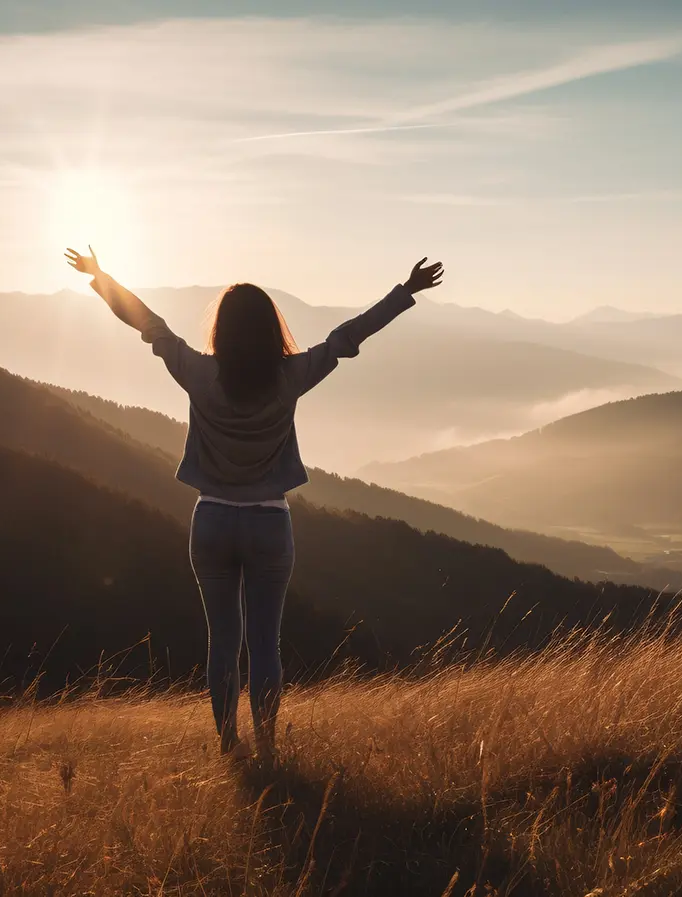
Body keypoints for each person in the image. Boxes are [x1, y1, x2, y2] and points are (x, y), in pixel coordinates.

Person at [65, 246, 444, 759]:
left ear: (221, 329)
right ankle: (266, 745)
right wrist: (405, 293)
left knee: (223, 643)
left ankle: (228, 746)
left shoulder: (198, 374)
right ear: (270, 328)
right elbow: (345, 338)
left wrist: (100, 277)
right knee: (265, 643)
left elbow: (149, 325)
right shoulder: (290, 378)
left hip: (213, 520)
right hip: (269, 524)